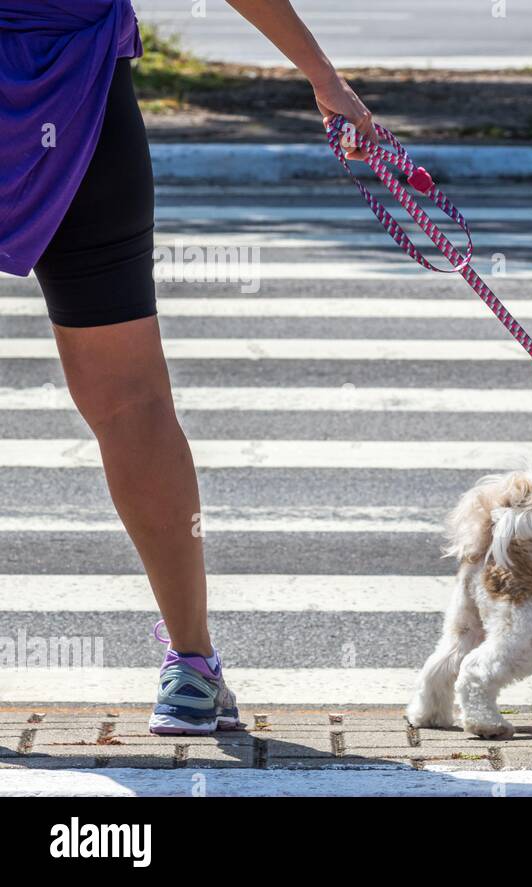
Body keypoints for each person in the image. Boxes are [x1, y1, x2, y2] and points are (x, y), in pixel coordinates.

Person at [0, 0, 376, 735]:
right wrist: (322, 76)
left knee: (131, 404)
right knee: (130, 402)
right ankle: (192, 667)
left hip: (78, 93)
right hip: (81, 106)